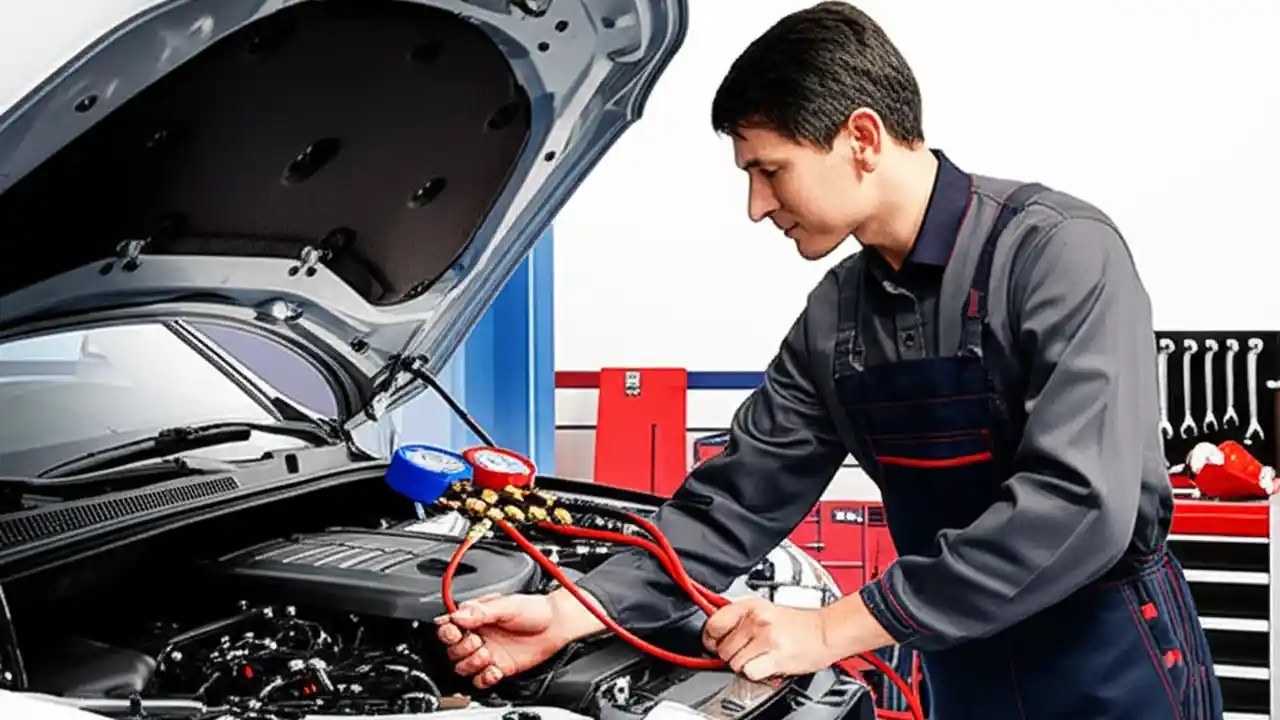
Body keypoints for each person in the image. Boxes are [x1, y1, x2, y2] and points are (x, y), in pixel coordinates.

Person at [436, 3, 1224, 718]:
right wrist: (575, 613)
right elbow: (732, 502)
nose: (756, 207)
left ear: (862, 138)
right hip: (964, 666)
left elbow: (1079, 504)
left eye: (768, 169)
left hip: (1109, 668)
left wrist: (831, 630)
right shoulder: (836, 316)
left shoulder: (1059, 253)